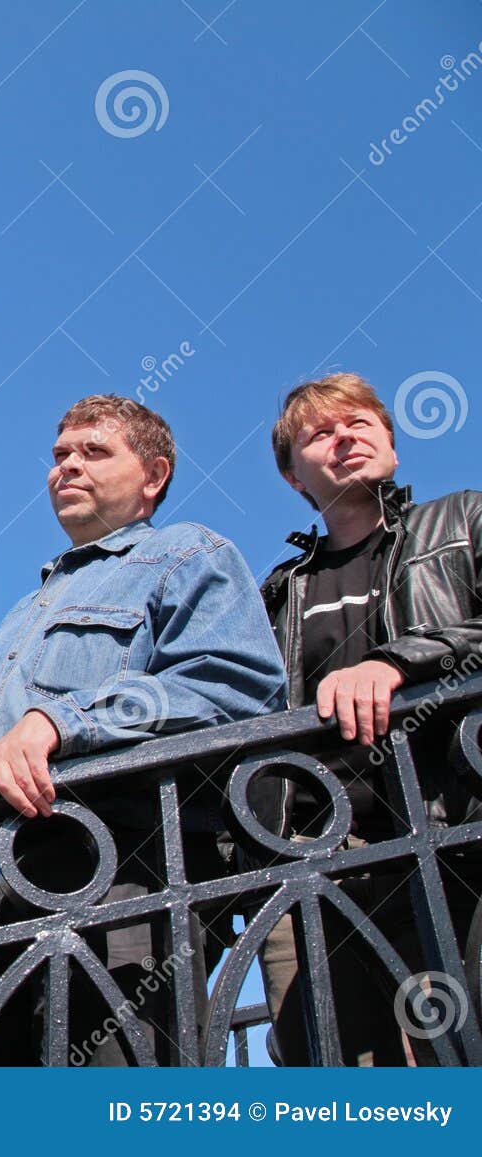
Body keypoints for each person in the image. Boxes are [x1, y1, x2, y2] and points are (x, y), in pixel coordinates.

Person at [0, 395, 286, 1066]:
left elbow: (236, 686)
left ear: (153, 475)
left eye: (94, 451)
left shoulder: (189, 554)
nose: (67, 465)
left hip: (122, 870)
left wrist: (64, 721)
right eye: (61, 453)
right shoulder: (18, 612)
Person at [257, 372, 482, 1065]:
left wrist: (400, 661)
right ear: (295, 476)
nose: (344, 436)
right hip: (316, 862)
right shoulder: (278, 591)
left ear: (389, 440)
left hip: (455, 835)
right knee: (332, 1072)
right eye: (319, 433)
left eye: (360, 423)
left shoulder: (465, 519)